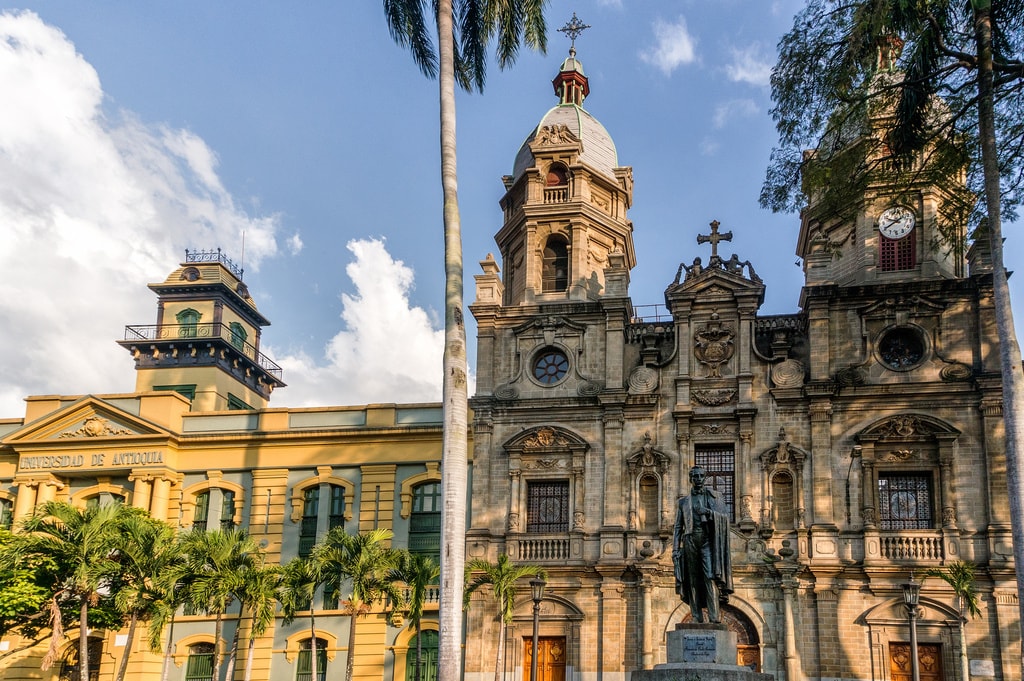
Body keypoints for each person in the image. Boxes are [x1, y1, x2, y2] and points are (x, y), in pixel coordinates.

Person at [673, 466, 734, 623]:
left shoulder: (715, 496)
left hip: (707, 540)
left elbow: (725, 518)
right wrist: (675, 549)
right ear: (690, 479)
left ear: (705, 478)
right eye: (695, 476)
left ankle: (714, 617)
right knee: (692, 579)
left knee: (710, 576)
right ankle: (696, 616)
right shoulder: (683, 502)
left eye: (701, 476)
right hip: (689, 540)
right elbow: (678, 527)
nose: (698, 479)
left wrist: (708, 513)